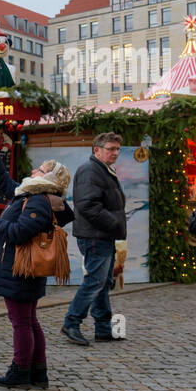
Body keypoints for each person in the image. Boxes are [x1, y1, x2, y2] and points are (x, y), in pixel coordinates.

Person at [0, 147, 73, 388]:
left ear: (48, 178)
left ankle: (21, 371)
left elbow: (19, 233)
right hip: (22, 270)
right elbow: (4, 183)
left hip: (21, 270)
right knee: (29, 320)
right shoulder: (29, 195)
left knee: (22, 322)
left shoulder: (37, 202)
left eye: (40, 169)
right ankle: (38, 371)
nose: (34, 171)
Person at [61, 132, 126, 346]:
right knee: (95, 282)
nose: (115, 153)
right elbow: (88, 206)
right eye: (110, 148)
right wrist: (113, 223)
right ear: (96, 149)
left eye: (117, 149)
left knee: (103, 282)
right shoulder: (91, 171)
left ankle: (103, 328)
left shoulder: (101, 170)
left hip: (101, 235)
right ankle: (72, 322)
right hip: (96, 236)